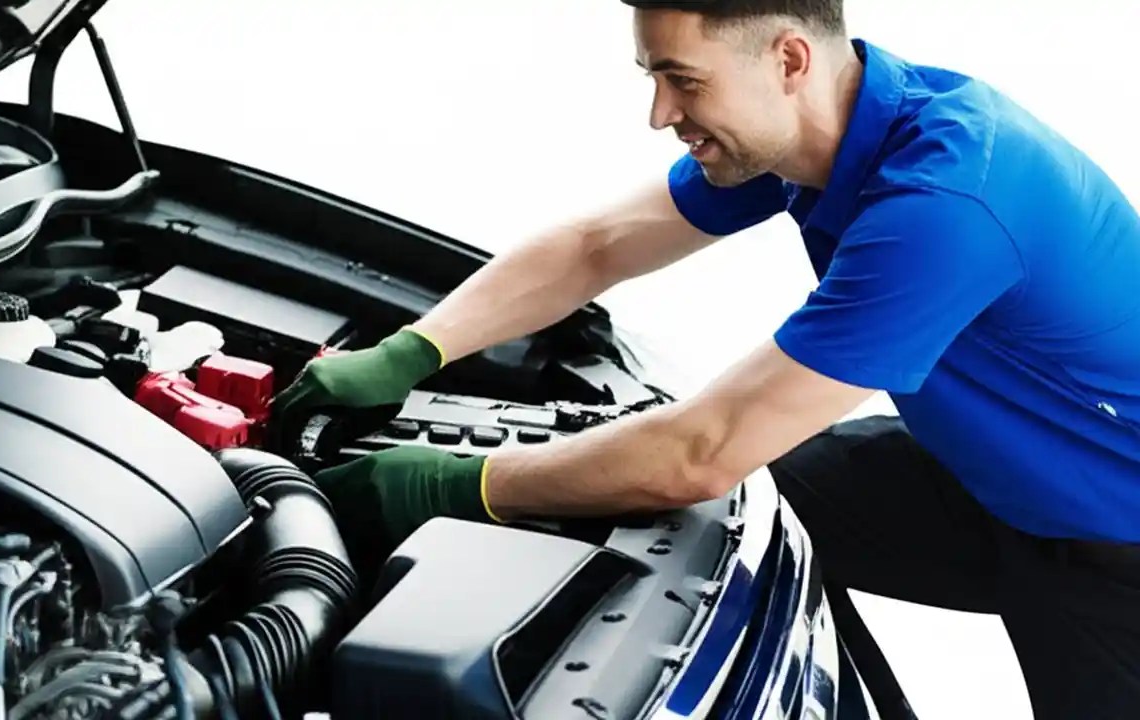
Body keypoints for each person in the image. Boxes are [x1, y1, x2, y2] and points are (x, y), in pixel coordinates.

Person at [266, 2, 1140, 718]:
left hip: (1115, 547)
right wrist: (410, 351)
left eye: (683, 80)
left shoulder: (945, 203)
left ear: (789, 59)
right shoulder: (822, 126)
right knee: (742, 508)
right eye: (654, 75)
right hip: (979, 473)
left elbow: (701, 448)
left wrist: (446, 484)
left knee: (695, 474)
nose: (661, 113)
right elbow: (595, 246)